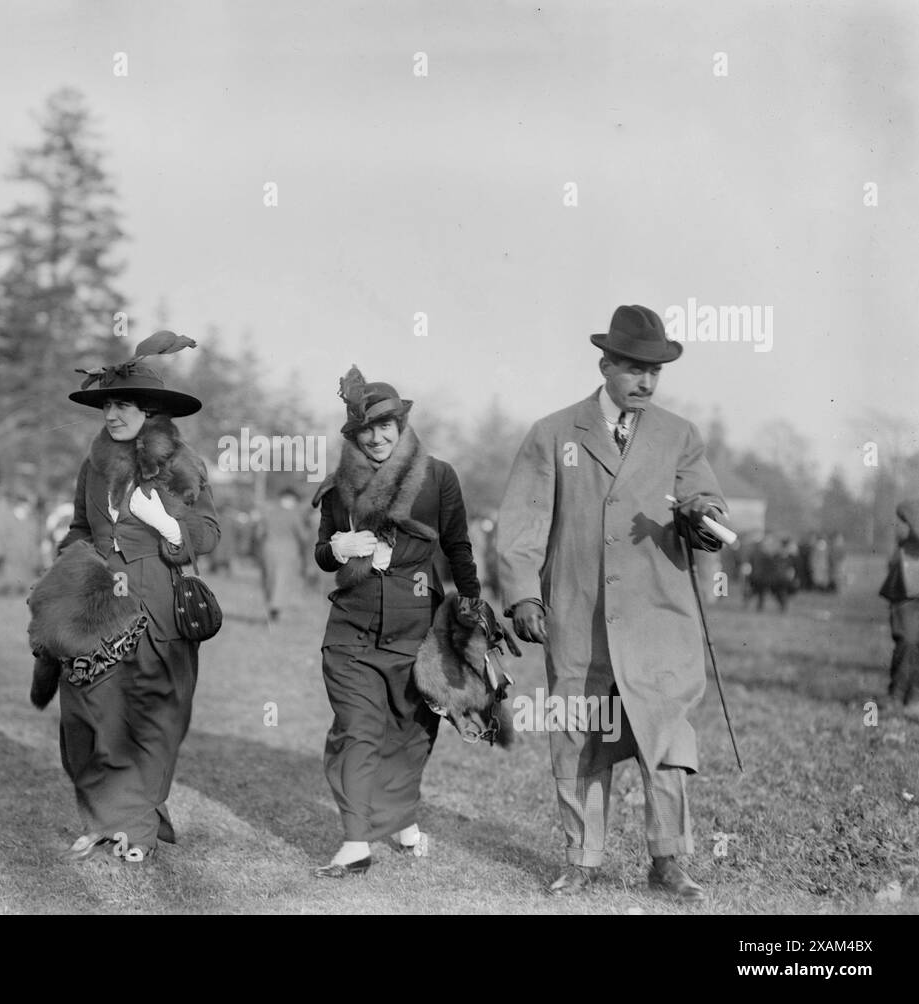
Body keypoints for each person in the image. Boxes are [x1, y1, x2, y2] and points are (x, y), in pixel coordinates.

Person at [497, 304, 728, 901]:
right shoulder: (552, 434)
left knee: (667, 739)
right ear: (605, 364)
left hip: (659, 618)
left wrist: (702, 518)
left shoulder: (680, 435)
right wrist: (523, 592)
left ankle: (669, 862)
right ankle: (583, 857)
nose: (646, 382)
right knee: (578, 736)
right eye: (633, 368)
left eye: (656, 371)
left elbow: (707, 502)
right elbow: (523, 522)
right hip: (579, 618)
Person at [310, 366, 485, 877]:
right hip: (352, 630)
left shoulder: (439, 476)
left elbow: (457, 546)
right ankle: (355, 841)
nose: (378, 436)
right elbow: (322, 552)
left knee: (411, 732)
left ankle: (402, 817)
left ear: (403, 424)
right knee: (357, 730)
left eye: (387, 425)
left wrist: (471, 605)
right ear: (354, 435)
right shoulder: (340, 486)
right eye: (366, 429)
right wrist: (336, 547)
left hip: (416, 630)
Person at [52, 332, 219, 863]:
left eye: (123, 404)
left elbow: (210, 532)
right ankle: (106, 818)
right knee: (86, 716)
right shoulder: (93, 466)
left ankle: (137, 827)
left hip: (159, 610)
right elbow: (81, 527)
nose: (112, 414)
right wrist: (65, 576)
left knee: (152, 718)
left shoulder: (181, 466)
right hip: (98, 605)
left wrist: (171, 526)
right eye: (107, 404)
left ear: (149, 411)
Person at [879, 500, 919, 721]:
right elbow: (906, 511)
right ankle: (896, 695)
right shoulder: (914, 508)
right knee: (907, 640)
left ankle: (916, 697)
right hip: (908, 588)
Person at [258, 486, 308, 622]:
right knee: (282, 579)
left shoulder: (269, 512)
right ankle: (276, 606)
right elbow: (303, 536)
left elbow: (259, 533)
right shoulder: (294, 515)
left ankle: (272, 604)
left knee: (269, 578)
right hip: (288, 550)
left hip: (268, 548)